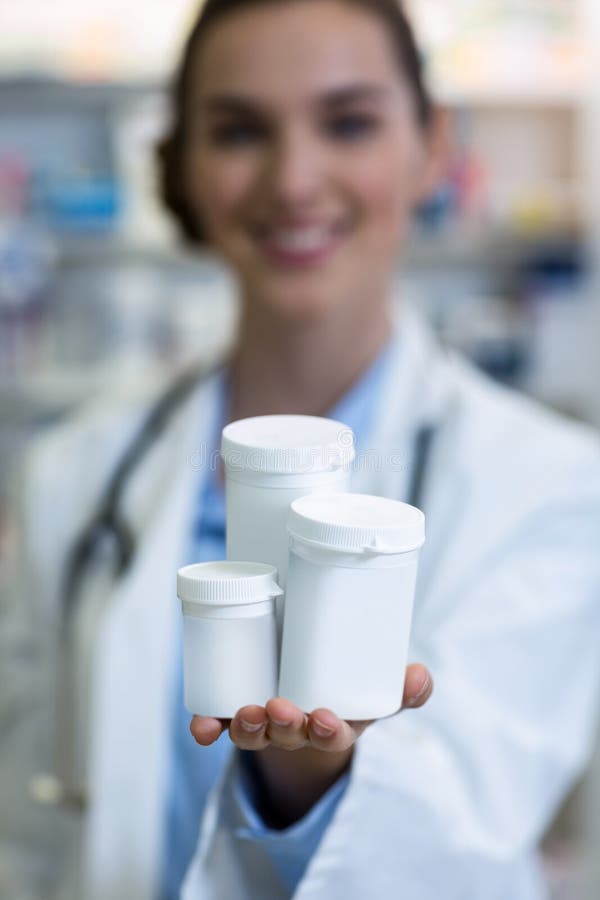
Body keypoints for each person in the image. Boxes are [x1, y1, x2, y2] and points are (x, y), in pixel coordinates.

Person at [1, 1, 600, 898]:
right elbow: (28, 826)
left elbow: (476, 832)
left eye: (348, 121)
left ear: (432, 147)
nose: (294, 180)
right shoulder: (78, 474)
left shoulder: (548, 484)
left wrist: (310, 780)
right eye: (240, 130)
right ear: (181, 168)